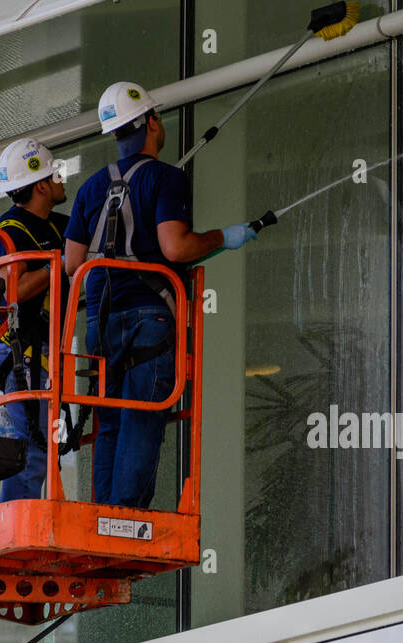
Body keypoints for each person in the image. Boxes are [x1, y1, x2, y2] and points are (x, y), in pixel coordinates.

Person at [64, 81, 258, 508]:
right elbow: (175, 248)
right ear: (152, 123)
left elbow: (72, 264)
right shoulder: (166, 178)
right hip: (147, 314)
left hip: (99, 319)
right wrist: (222, 237)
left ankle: (103, 519)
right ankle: (125, 521)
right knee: (142, 418)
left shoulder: (91, 188)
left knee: (109, 421)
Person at [0, 136, 69, 502]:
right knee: (32, 450)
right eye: (57, 174)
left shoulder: (54, 226)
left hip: (36, 352)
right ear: (41, 185)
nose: (61, 180)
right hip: (18, 352)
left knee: (38, 447)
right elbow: (15, 291)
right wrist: (59, 264)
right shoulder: (10, 229)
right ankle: (15, 523)